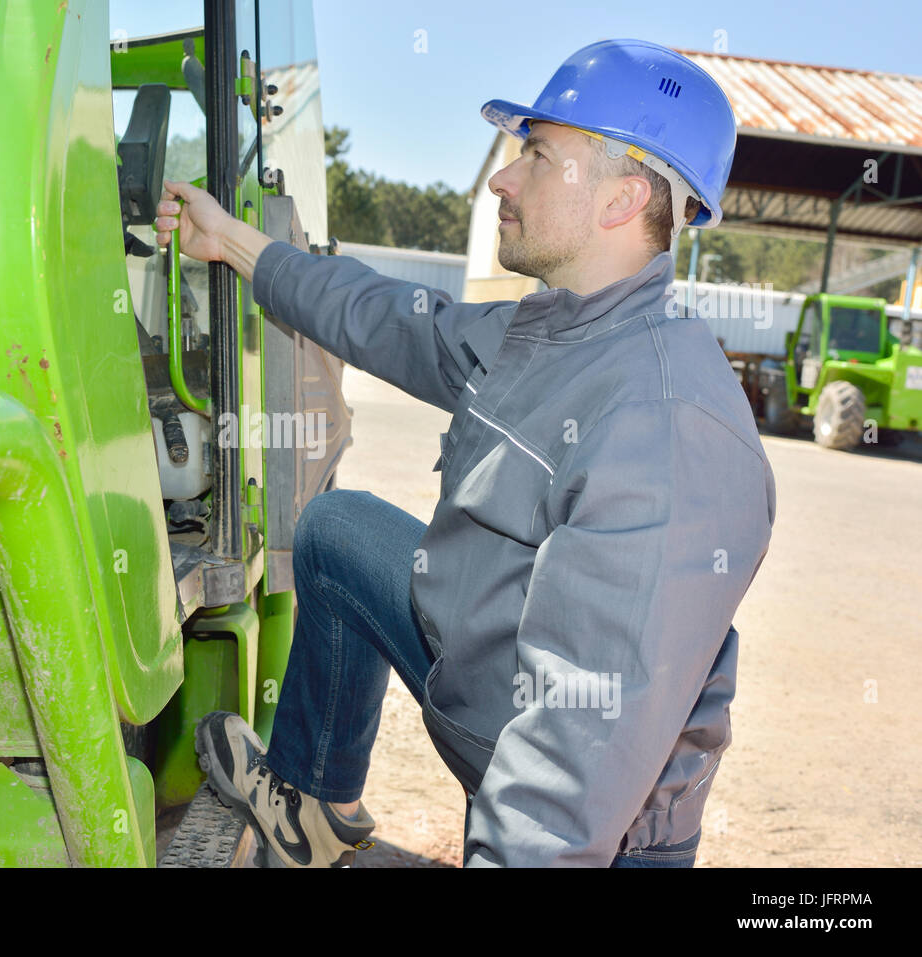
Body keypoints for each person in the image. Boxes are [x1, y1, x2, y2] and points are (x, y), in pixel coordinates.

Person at [156, 39, 777, 868]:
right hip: (486, 677)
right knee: (338, 530)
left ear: (623, 198)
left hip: (593, 810)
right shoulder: (548, 331)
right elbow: (388, 318)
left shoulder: (667, 423)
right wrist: (232, 241)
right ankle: (315, 808)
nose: (502, 179)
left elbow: (573, 761)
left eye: (538, 154)